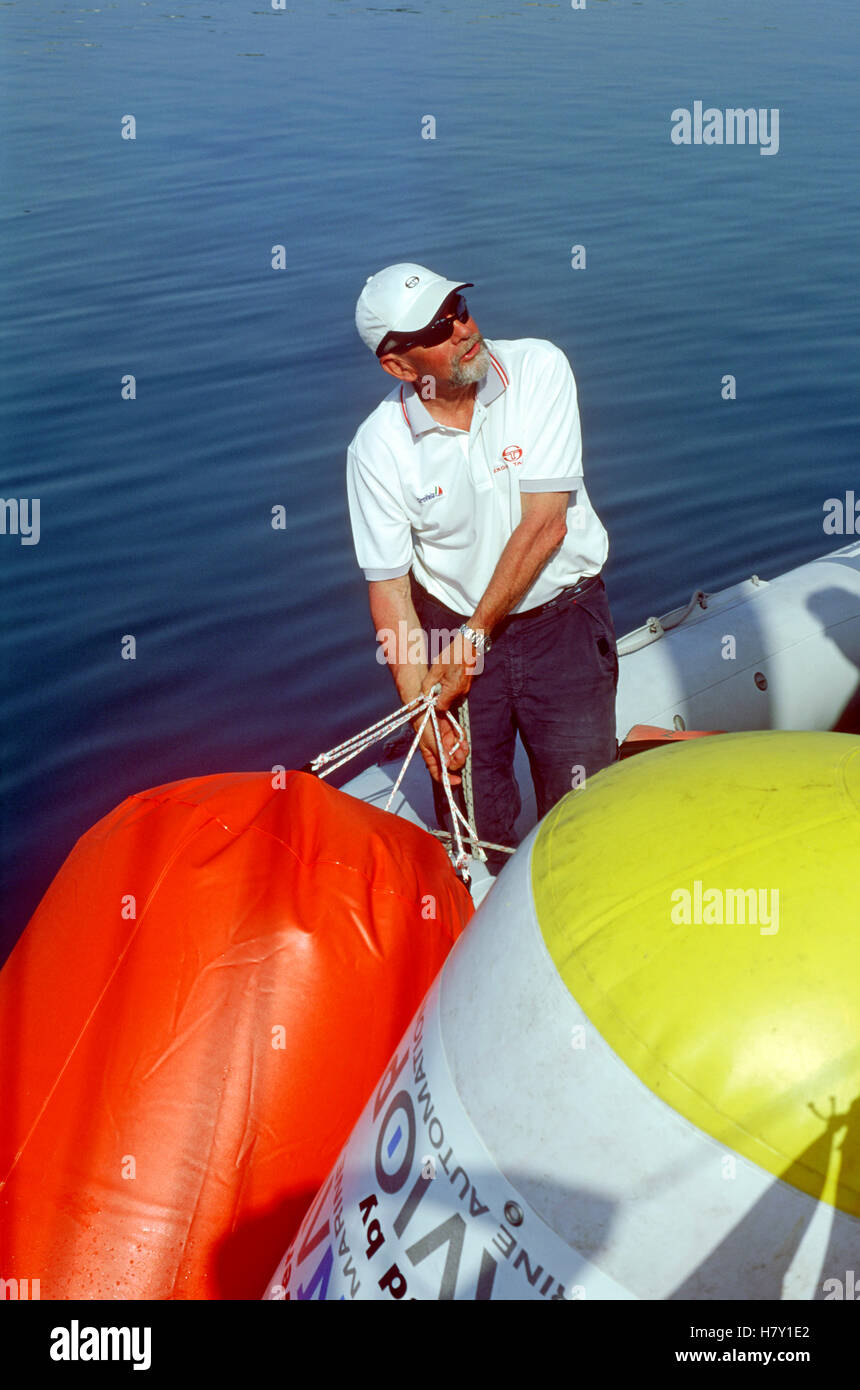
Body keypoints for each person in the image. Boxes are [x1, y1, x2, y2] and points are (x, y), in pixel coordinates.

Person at [346, 262, 618, 875]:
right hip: (452, 632)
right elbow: (391, 594)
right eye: (436, 328)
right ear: (398, 366)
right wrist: (424, 713)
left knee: (585, 819)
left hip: (562, 626)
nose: (462, 328)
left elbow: (546, 523)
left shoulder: (539, 369)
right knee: (474, 824)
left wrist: (473, 637)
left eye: (458, 308)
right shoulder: (375, 450)